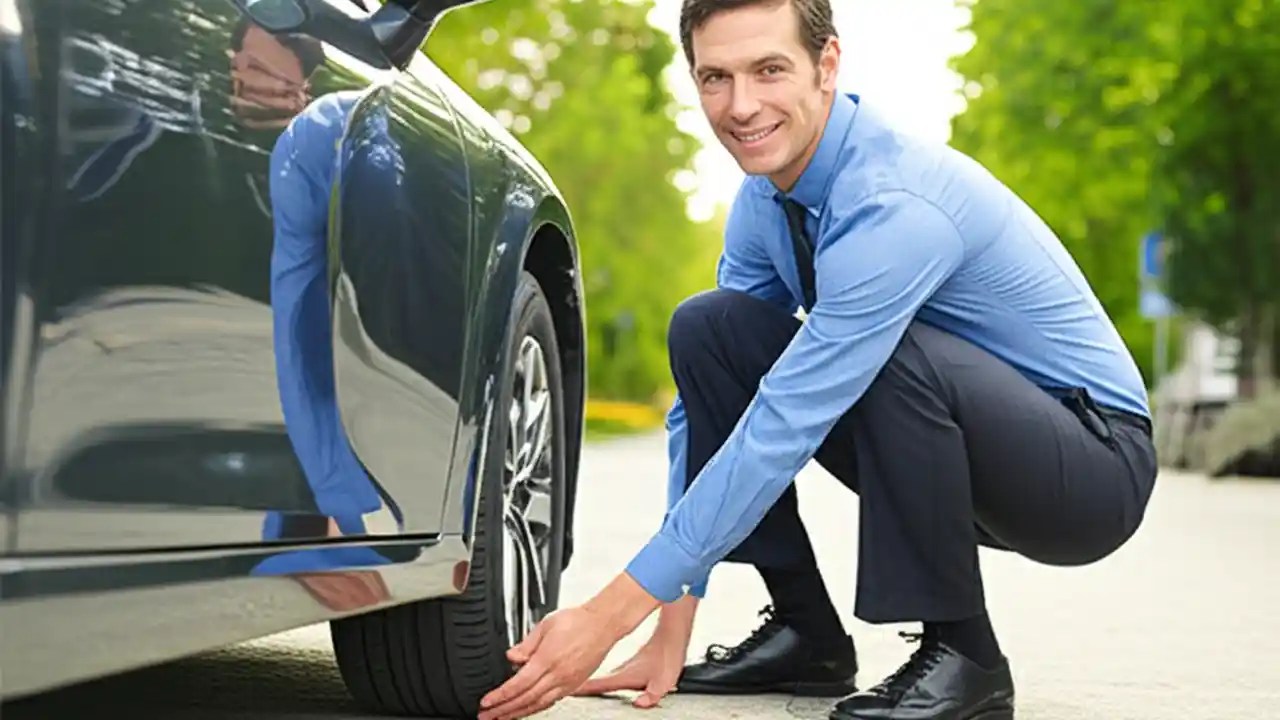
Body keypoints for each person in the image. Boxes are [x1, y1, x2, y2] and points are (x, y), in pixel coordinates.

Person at [476, 0, 1159, 718]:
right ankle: (807, 635)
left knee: (884, 350)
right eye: (715, 78)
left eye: (769, 70)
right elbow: (708, 406)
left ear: (827, 65)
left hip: (1088, 467)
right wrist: (667, 622)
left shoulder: (891, 203)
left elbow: (786, 420)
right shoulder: (764, 202)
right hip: (959, 442)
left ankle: (968, 658)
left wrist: (607, 612)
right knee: (711, 329)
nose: (741, 106)